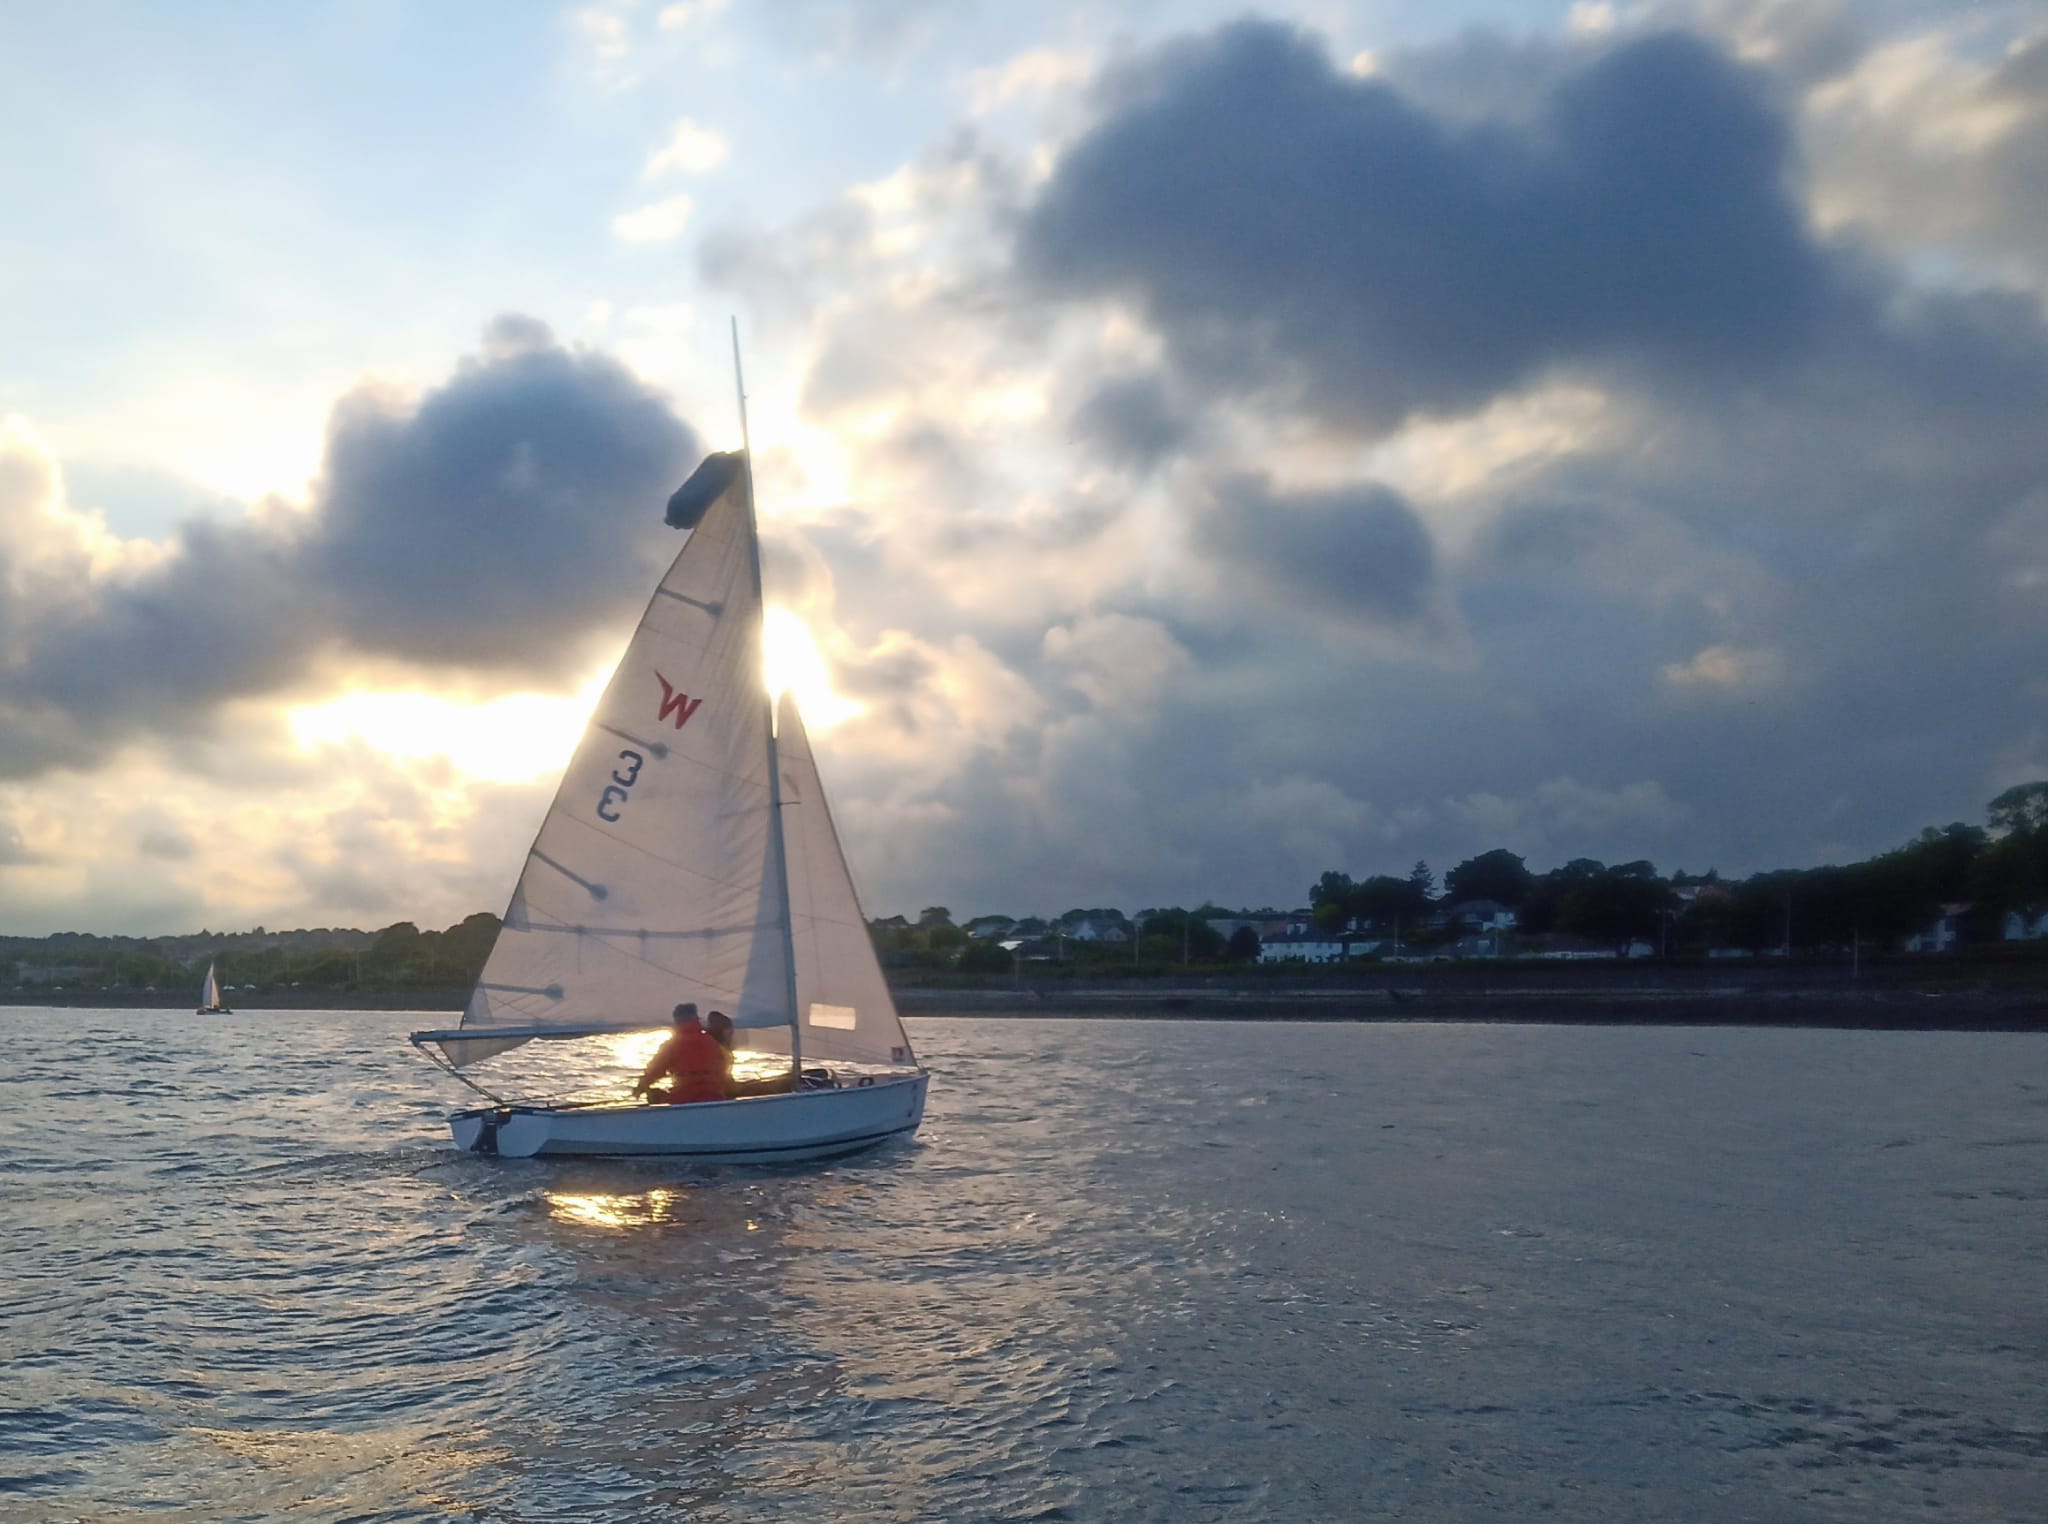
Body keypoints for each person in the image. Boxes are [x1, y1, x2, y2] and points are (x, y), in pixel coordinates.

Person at [632, 1002, 729, 1104]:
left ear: (677, 1021)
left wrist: (641, 1086)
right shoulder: (711, 1042)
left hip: (685, 1097)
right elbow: (724, 1069)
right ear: (697, 1019)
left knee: (656, 1096)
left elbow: (655, 1070)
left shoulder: (672, 1045)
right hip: (715, 1095)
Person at [705, 1009, 796, 1097]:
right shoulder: (721, 1051)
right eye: (730, 1031)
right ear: (723, 1031)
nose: (732, 1034)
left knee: (764, 1083)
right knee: (781, 1084)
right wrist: (738, 1088)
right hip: (726, 1093)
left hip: (725, 1090)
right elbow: (725, 1082)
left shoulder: (711, 1046)